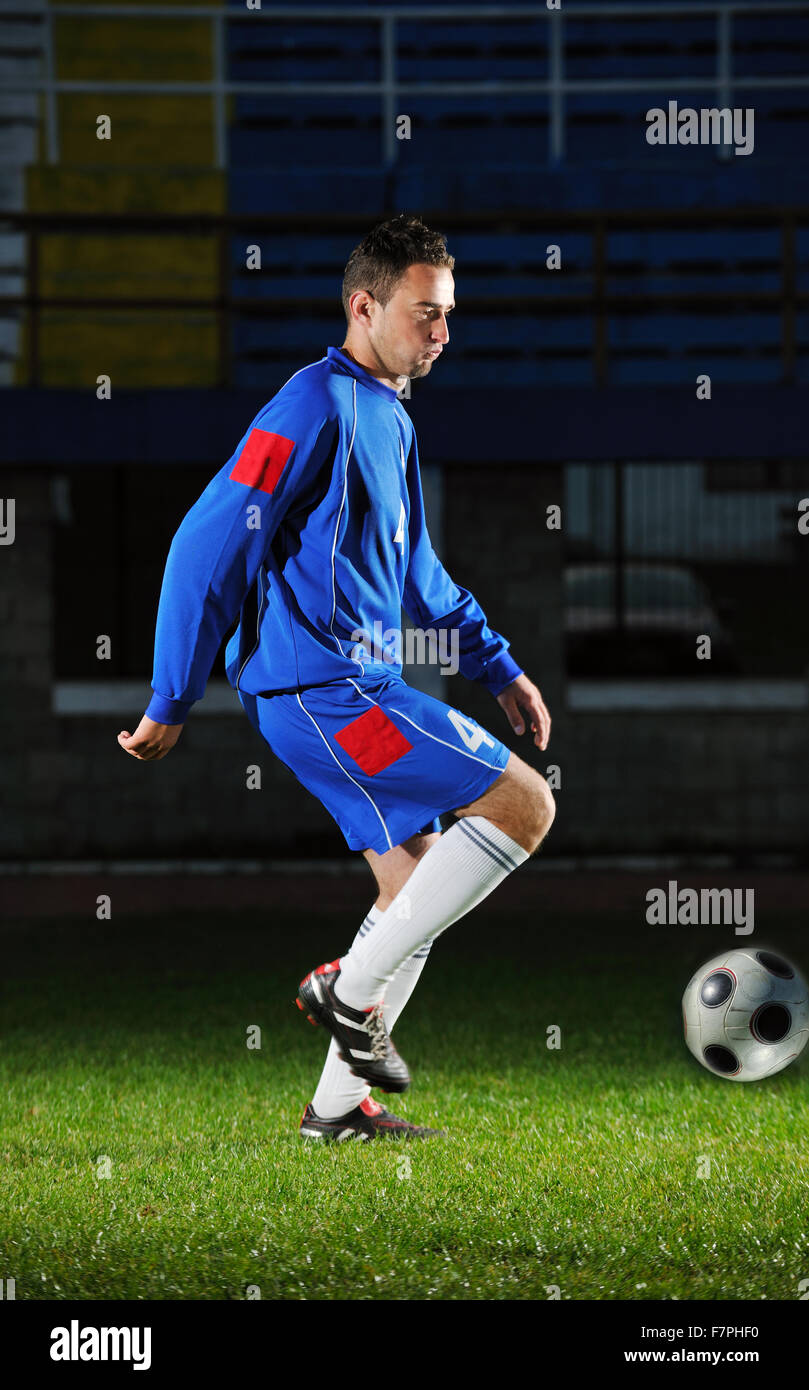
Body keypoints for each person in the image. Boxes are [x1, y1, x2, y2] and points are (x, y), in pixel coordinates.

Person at [118, 213, 555, 1142]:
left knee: (415, 887)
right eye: (425, 312)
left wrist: (497, 667)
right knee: (522, 806)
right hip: (327, 694)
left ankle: (333, 1110)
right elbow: (204, 547)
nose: (443, 332)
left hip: (343, 691)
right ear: (364, 306)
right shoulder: (311, 403)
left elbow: (419, 575)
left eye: (448, 314)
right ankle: (344, 992)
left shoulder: (388, 416)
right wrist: (170, 696)